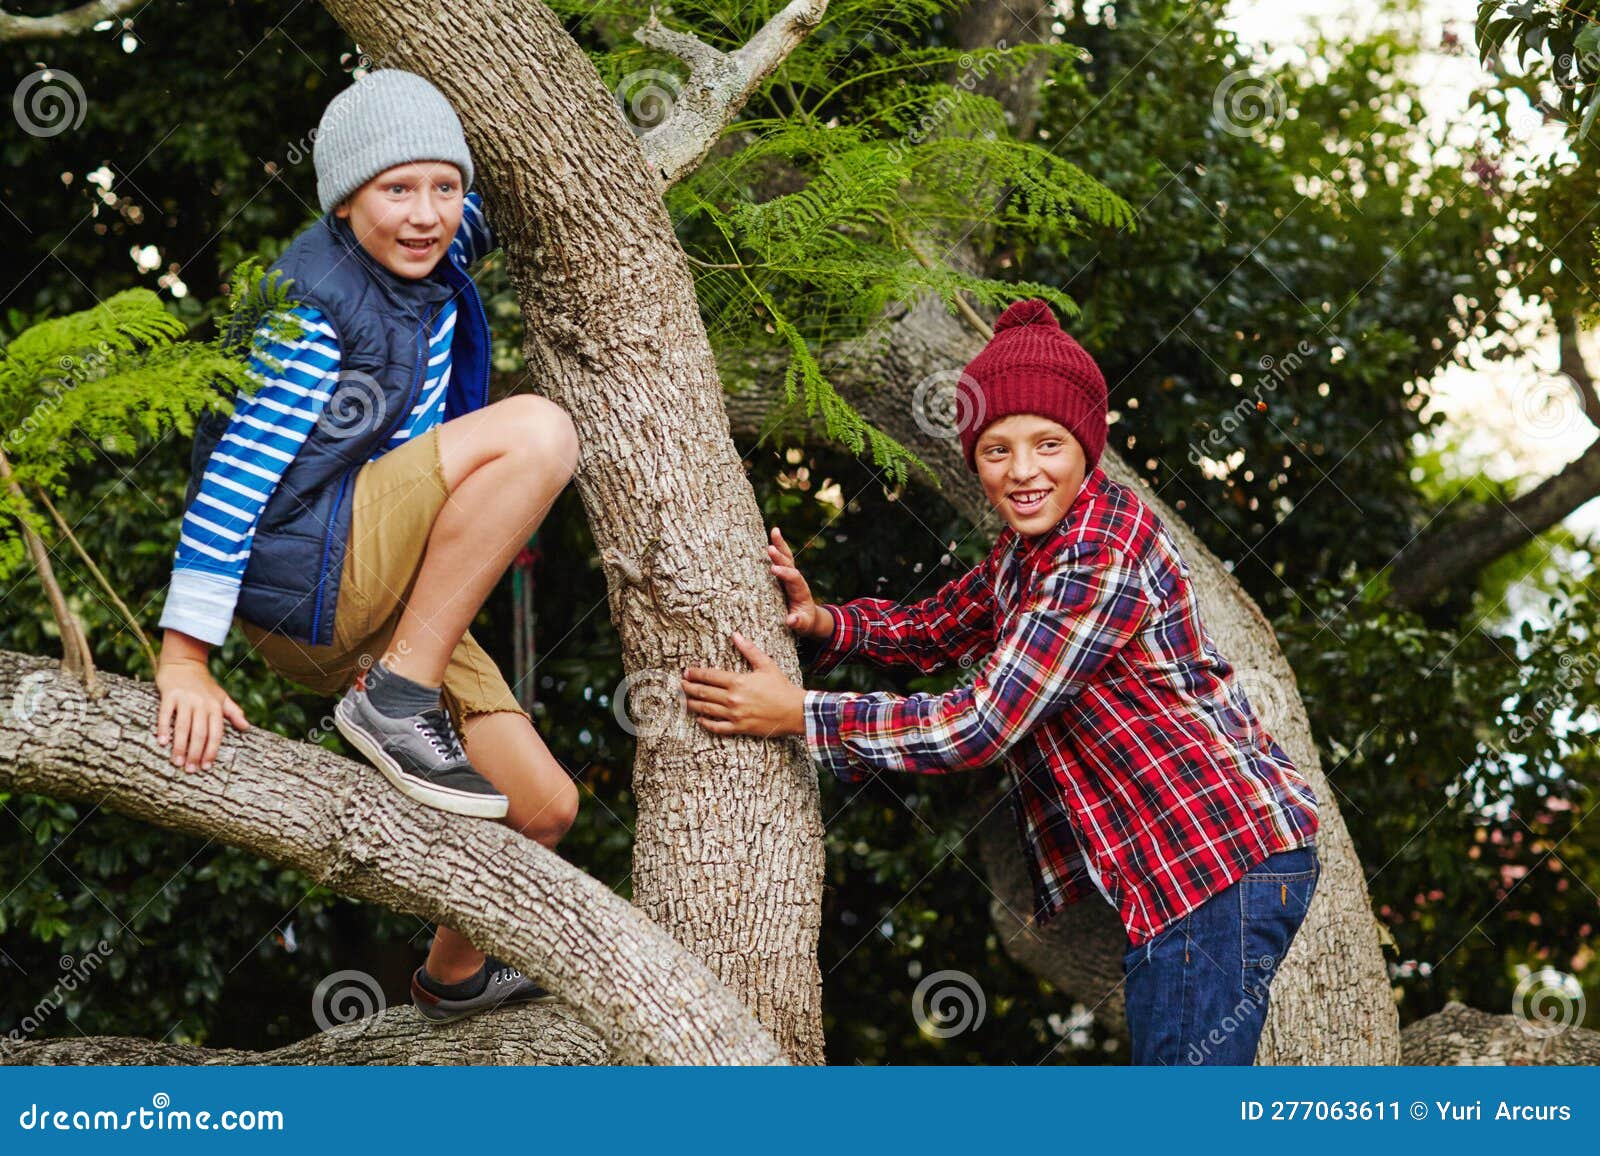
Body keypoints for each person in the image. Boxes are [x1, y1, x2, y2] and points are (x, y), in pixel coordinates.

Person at [680, 298, 1322, 1064]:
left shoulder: (1097, 553)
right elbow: (938, 625)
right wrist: (827, 624)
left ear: (1089, 446)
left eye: (1048, 444)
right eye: (995, 450)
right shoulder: (1028, 554)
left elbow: (976, 726)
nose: (1022, 472)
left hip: (1222, 861)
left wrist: (800, 715)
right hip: (1188, 868)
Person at [152, 69, 579, 1025]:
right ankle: (395, 702)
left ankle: (451, 977)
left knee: (543, 808)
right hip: (307, 575)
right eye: (398, 190)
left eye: (445, 187)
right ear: (344, 198)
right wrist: (183, 658)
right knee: (540, 431)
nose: (427, 215)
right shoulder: (313, 308)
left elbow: (524, 190)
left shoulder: (426, 248)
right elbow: (232, 483)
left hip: (389, 591)